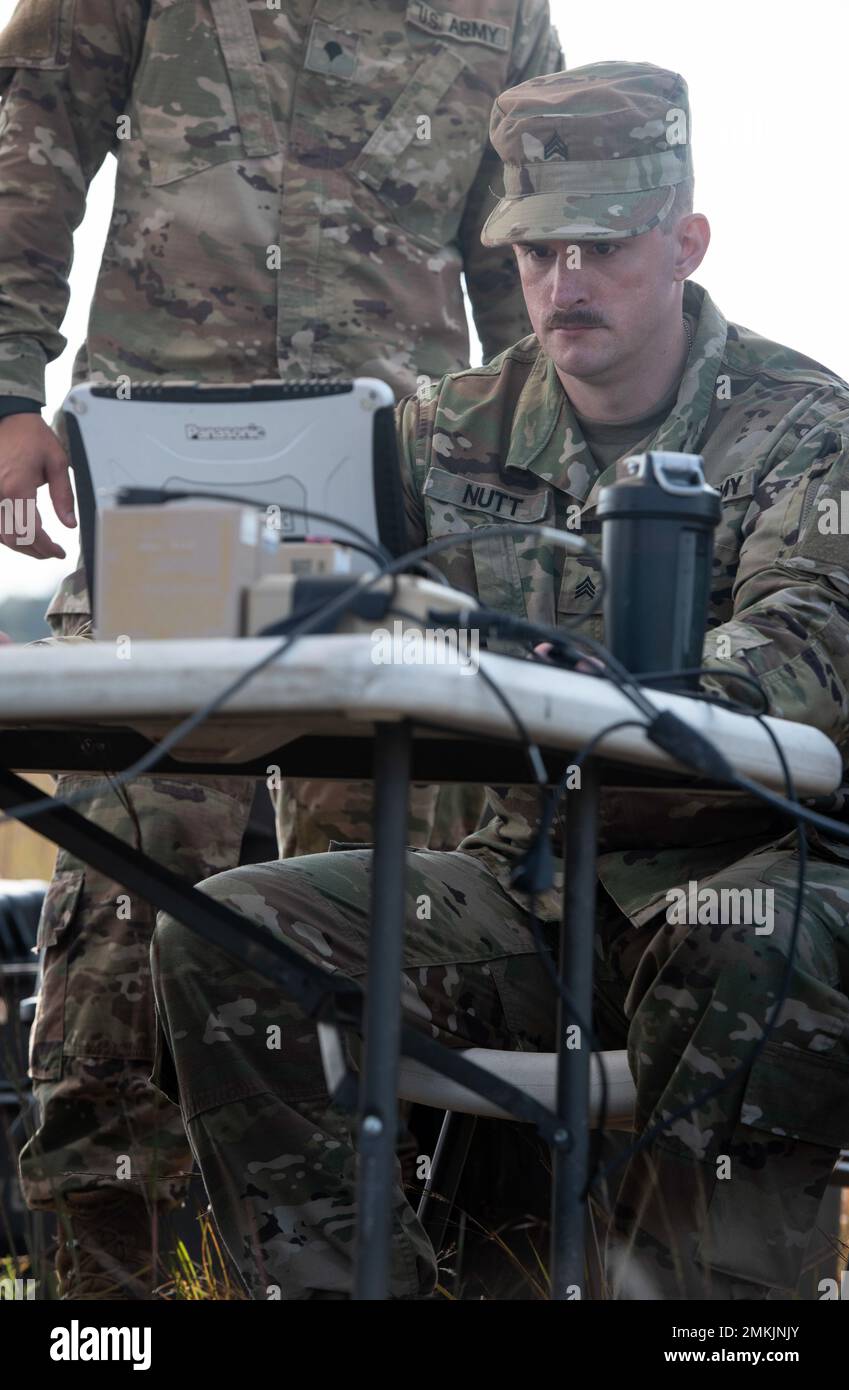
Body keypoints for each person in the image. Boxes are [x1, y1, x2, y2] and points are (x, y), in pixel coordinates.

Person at [151, 60, 849, 1301]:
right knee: (230, 932)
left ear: (685, 242)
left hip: (749, 875)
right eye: (536, 250)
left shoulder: (806, 427)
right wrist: (204, 579)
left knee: (745, 943)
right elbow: (322, 598)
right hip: (527, 893)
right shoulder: (444, 428)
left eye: (603, 245)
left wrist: (537, 674)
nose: (564, 283)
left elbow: (801, 664)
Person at [0, 0, 563, 1296]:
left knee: (387, 933)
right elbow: (35, 127)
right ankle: (111, 1312)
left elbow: (528, 255)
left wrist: (544, 492)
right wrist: (7, 388)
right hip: (163, 504)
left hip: (395, 518)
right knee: (124, 926)